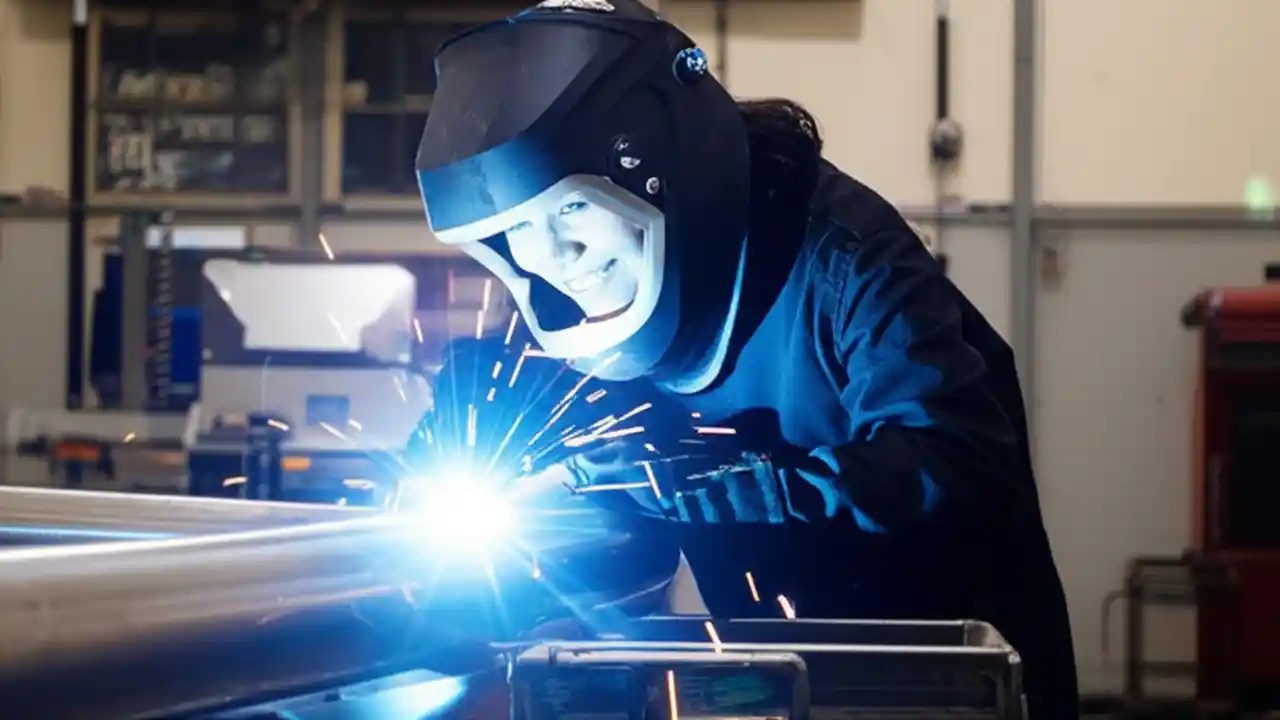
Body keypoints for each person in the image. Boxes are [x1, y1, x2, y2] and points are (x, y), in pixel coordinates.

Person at [413, 0, 1078, 716]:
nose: (551, 257)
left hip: (941, 679)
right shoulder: (588, 284)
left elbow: (953, 460)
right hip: (767, 678)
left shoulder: (843, 258)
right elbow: (550, 449)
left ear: (660, 168)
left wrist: (710, 485)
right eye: (519, 228)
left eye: (570, 209)